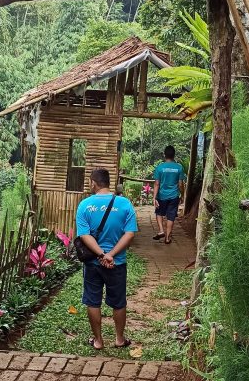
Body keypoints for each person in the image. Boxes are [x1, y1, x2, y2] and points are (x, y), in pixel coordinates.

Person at [75, 168, 138, 351]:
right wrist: (111, 255)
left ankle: (98, 341)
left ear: (93, 183)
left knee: (93, 300)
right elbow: (130, 234)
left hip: (93, 263)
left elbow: (85, 235)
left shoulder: (84, 205)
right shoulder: (125, 204)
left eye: (89, 182)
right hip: (117, 263)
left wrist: (101, 255)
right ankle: (119, 338)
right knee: (118, 301)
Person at [152, 145, 185, 244]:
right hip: (174, 196)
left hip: (161, 196)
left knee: (159, 213)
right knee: (171, 216)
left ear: (164, 155)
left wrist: (154, 197)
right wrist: (182, 194)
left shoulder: (159, 168)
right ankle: (167, 238)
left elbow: (157, 183)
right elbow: (180, 184)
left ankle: (161, 230)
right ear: (174, 155)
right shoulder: (179, 167)